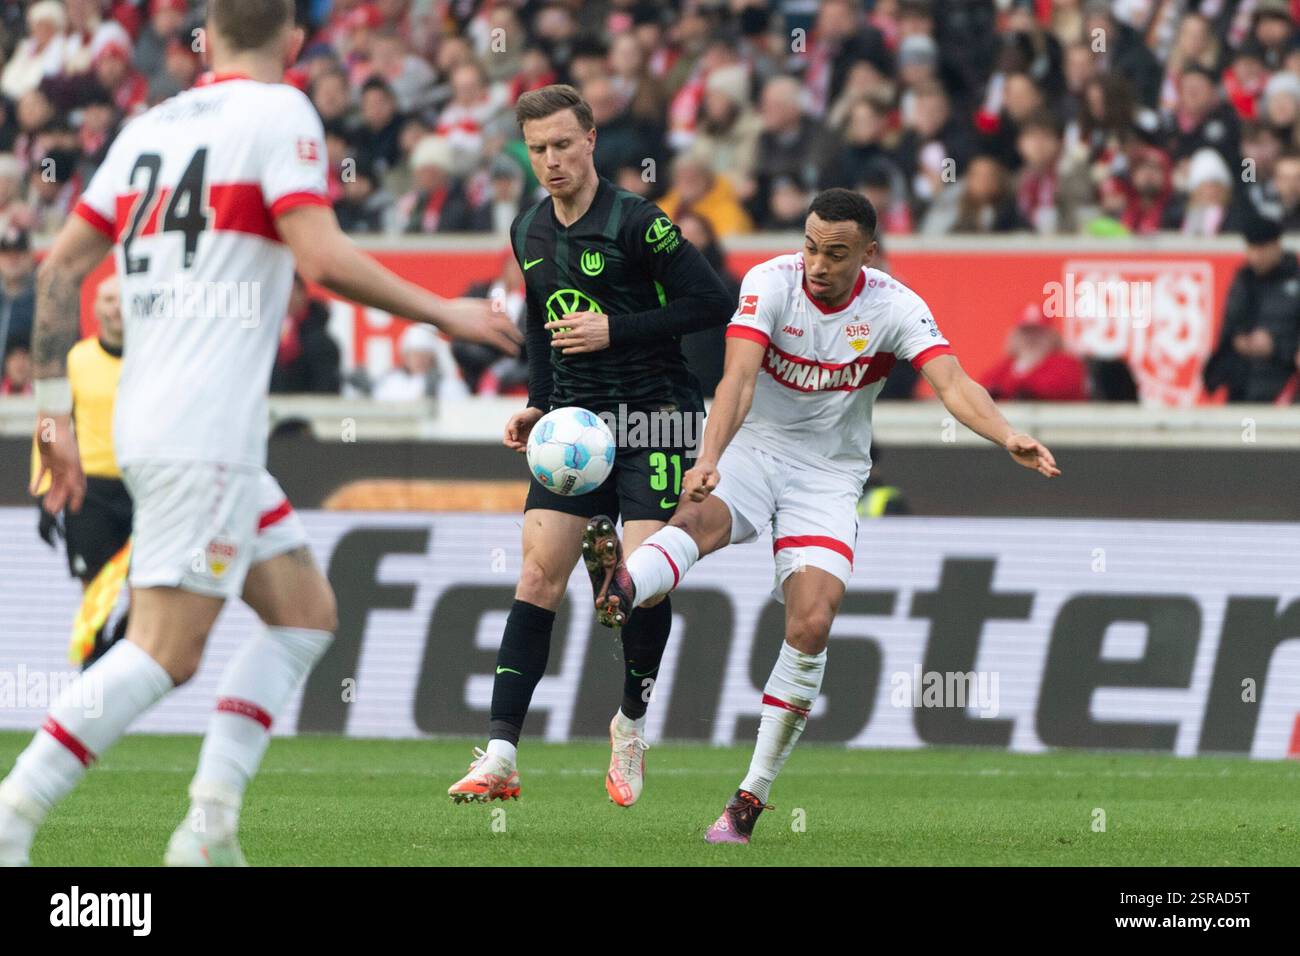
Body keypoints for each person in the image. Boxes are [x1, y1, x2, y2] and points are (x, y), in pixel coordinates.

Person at [0, 0, 520, 869]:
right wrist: (442, 311)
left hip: (164, 420)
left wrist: (51, 416)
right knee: (164, 650)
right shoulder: (281, 112)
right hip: (204, 432)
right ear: (294, 38)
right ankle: (15, 815)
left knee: (304, 614)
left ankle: (208, 828)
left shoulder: (147, 127)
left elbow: (59, 269)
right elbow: (317, 257)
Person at [582, 189, 1059, 844]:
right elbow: (738, 382)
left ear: (868, 253)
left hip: (829, 477)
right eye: (810, 246)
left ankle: (749, 799)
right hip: (752, 451)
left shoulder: (895, 306)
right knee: (692, 524)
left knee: (811, 622)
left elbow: (954, 383)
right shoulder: (770, 283)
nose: (817, 264)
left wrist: (1007, 435)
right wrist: (709, 458)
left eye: (836, 253)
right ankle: (622, 588)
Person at [445, 84, 733, 808]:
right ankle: (502, 754)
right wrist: (539, 403)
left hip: (656, 419)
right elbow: (544, 326)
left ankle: (630, 724)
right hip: (574, 424)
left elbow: (712, 303)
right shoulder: (528, 232)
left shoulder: (639, 223)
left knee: (644, 582)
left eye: (563, 145)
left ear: (591, 140)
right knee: (539, 574)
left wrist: (618, 329)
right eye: (538, 149)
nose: (551, 161)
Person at [32, 275, 132, 667]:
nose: (115, 307)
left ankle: (115, 657)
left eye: (122, 300)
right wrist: (45, 490)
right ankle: (91, 685)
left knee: (149, 598)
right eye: (108, 299)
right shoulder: (76, 360)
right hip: (90, 490)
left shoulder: (153, 360)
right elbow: (50, 425)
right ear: (95, 308)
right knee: (96, 597)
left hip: (146, 485)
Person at [1204, 215, 1300, 403]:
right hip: (1243, 384)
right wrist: (1241, 340)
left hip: (1285, 386)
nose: (1255, 256)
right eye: (1251, 249)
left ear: (1276, 247)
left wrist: (1276, 348)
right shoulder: (1243, 280)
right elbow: (1229, 328)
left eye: (1261, 249)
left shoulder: (1296, 281)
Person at [980, 304, 1088, 401]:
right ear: (1015, 336)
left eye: (1038, 332)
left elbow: (1046, 390)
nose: (1031, 338)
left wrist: (1013, 384)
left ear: (1052, 336)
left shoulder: (1066, 363)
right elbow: (984, 389)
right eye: (1026, 332)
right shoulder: (1006, 367)